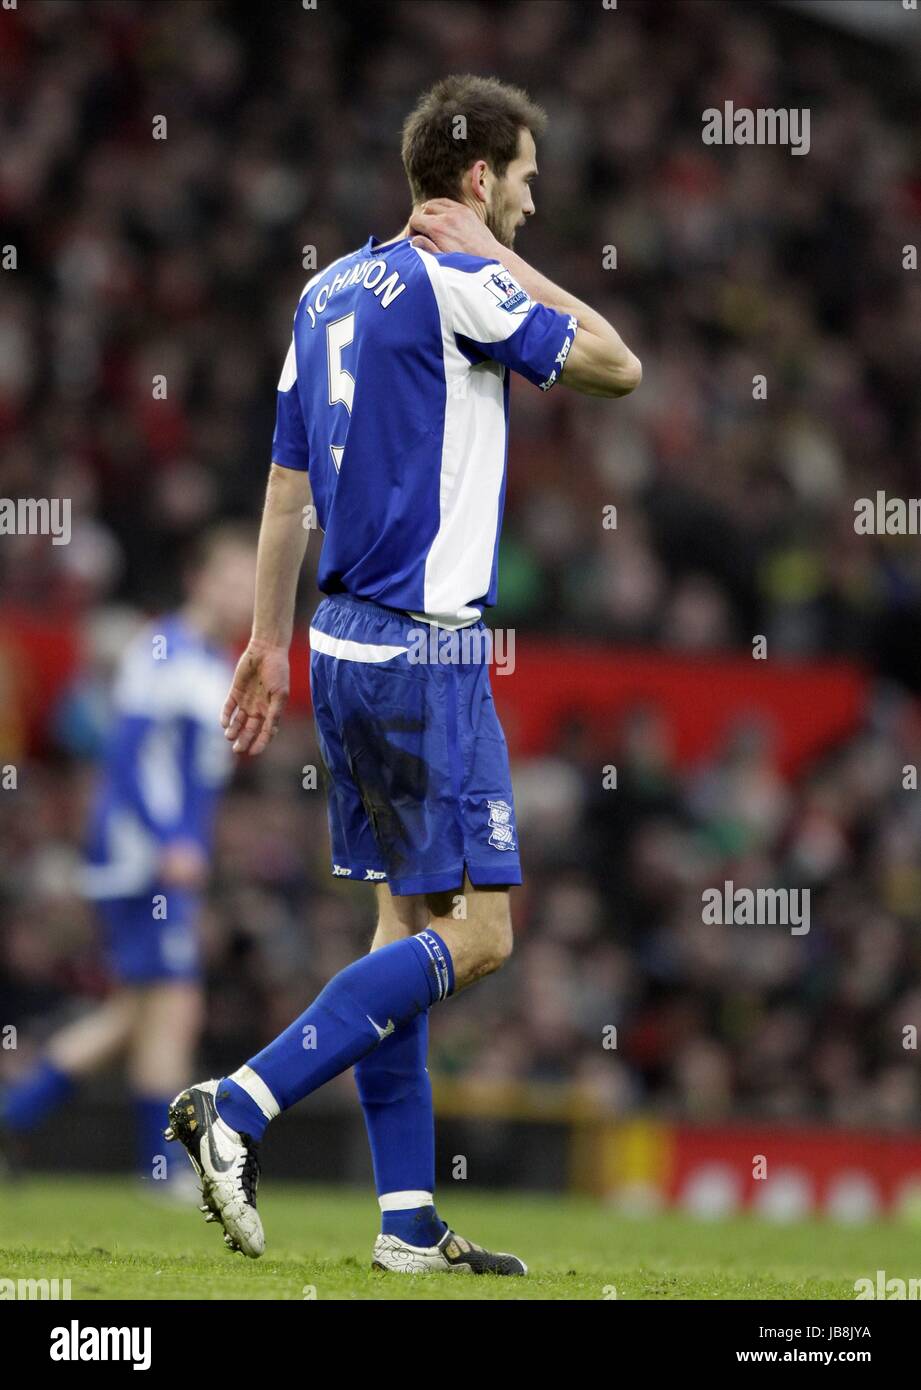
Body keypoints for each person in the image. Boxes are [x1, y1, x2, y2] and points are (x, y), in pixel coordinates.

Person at [165, 74, 641, 1272]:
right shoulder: (460, 276)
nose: (532, 201)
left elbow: (285, 491)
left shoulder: (328, 290)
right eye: (523, 180)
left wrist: (269, 642)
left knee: (401, 922)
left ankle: (406, 1224)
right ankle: (241, 1102)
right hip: (428, 650)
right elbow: (614, 363)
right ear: (478, 179)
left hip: (340, 644)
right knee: (482, 940)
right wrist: (499, 256)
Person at [1, 526, 256, 1195]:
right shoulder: (164, 648)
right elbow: (128, 755)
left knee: (138, 1013)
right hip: (141, 858)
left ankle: (14, 1119)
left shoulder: (213, 662)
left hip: (163, 857)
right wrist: (171, 838)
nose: (243, 593)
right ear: (196, 578)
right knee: (172, 1009)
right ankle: (160, 1166)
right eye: (231, 577)